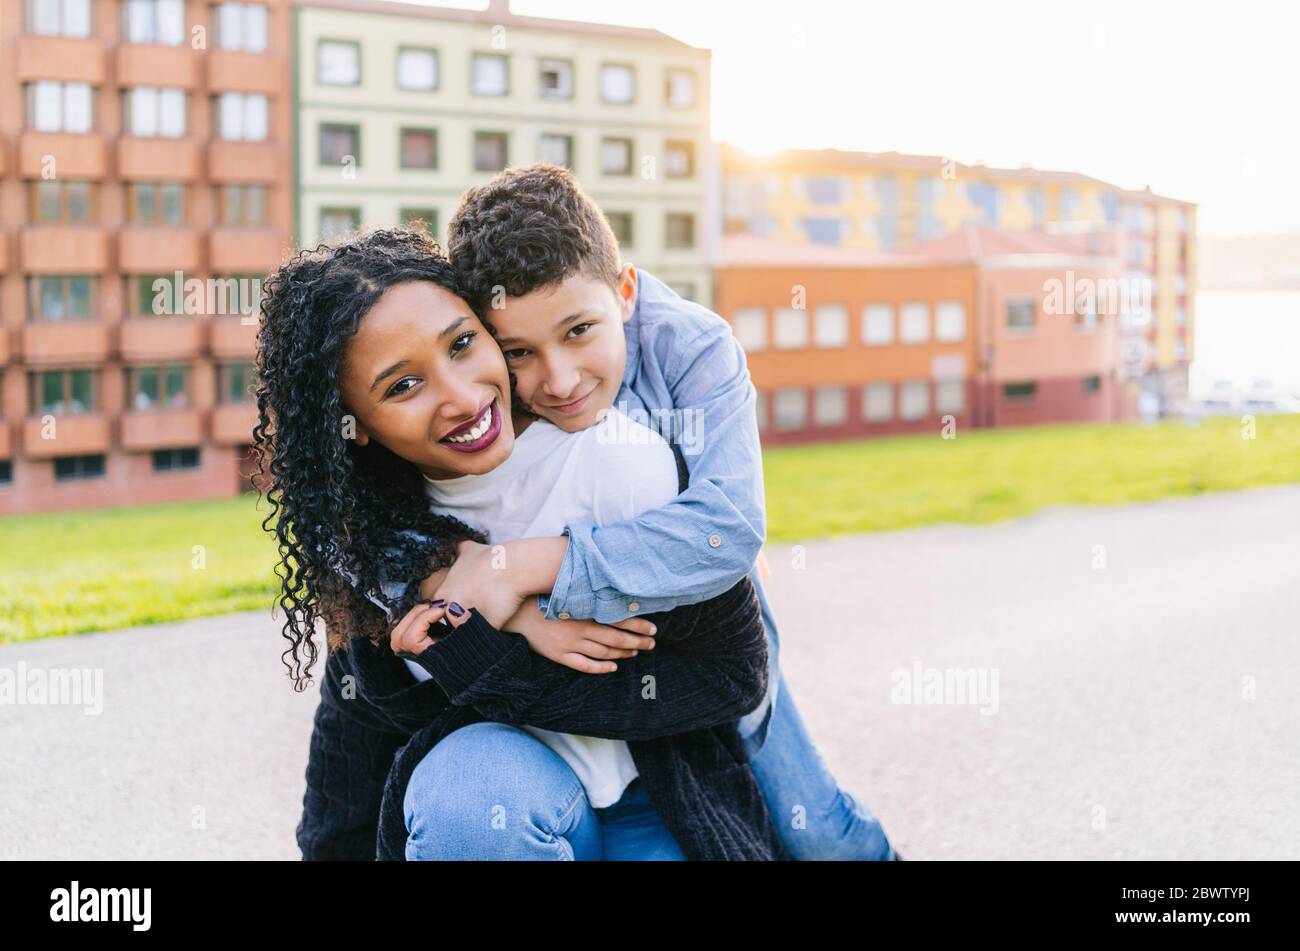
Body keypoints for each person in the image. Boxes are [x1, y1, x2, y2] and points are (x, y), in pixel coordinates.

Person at [254, 228, 788, 860]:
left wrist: (507, 620)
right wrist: (511, 636)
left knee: (818, 820)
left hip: (660, 801)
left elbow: (730, 674)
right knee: (464, 799)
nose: (461, 397)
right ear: (354, 426)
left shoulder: (615, 464)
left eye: (461, 345)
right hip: (514, 809)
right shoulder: (382, 538)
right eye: (402, 387)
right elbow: (359, 731)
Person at [418, 163, 898, 861]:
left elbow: (727, 528)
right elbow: (377, 519)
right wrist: (479, 593)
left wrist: (524, 567)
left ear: (626, 292)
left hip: (712, 615)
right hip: (581, 665)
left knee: (813, 829)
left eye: (581, 330)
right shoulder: (479, 381)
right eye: (520, 351)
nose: (558, 379)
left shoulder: (692, 344)